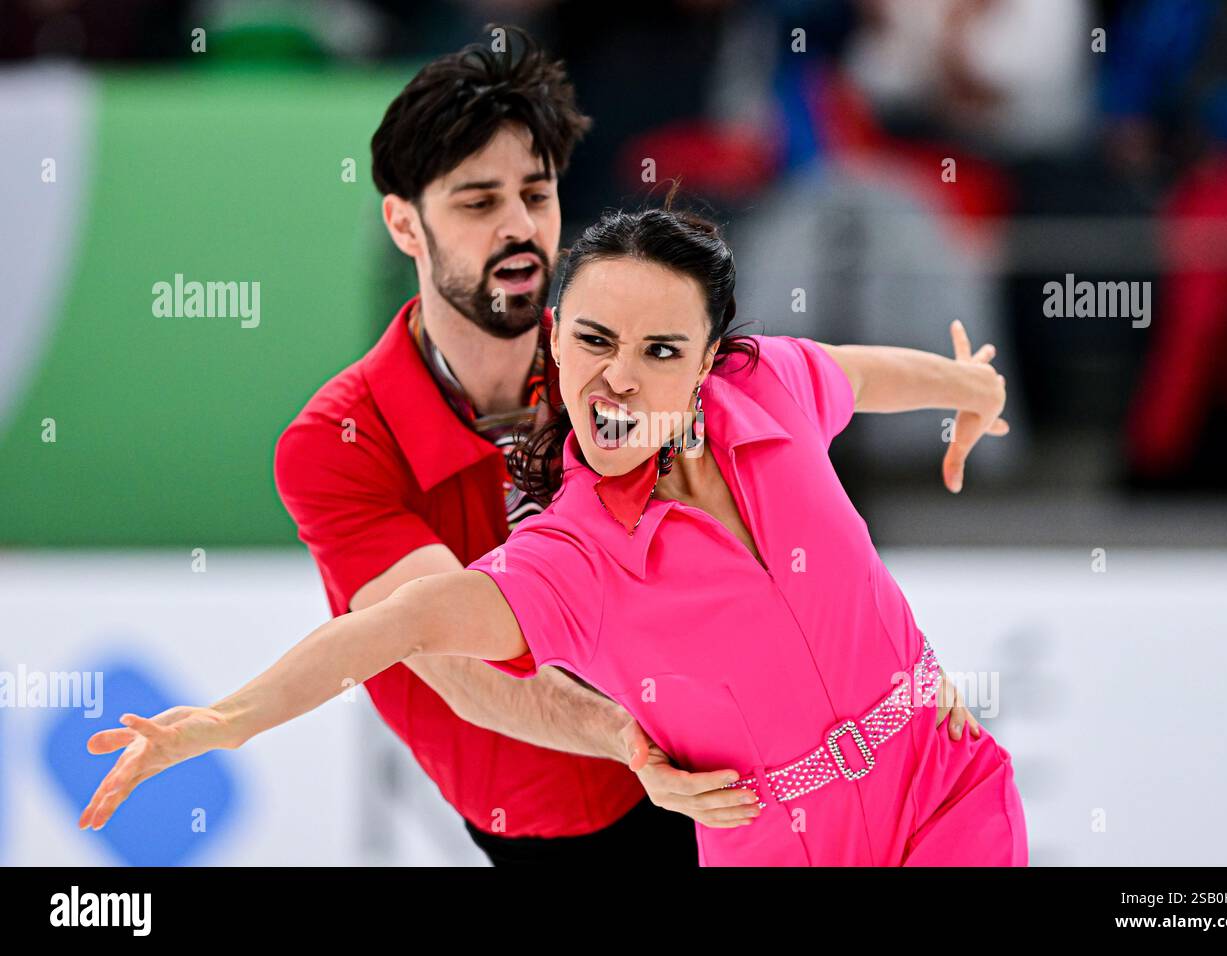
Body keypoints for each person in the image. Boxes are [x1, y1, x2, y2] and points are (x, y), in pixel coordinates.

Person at [78, 200, 1025, 866]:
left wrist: (971, 389)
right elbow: (392, 628)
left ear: (707, 364)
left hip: (945, 784)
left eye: (660, 352)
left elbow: (859, 377)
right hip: (773, 843)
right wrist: (226, 720)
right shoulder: (565, 560)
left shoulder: (764, 386)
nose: (616, 379)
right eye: (594, 342)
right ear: (556, 335)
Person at [272, 24, 986, 865]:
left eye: (536, 196)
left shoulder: (616, 354)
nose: (518, 229)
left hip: (724, 773)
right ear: (403, 223)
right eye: (476, 202)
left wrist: (887, 694)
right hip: (557, 818)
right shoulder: (340, 443)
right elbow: (457, 666)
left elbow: (776, 507)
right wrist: (631, 744)